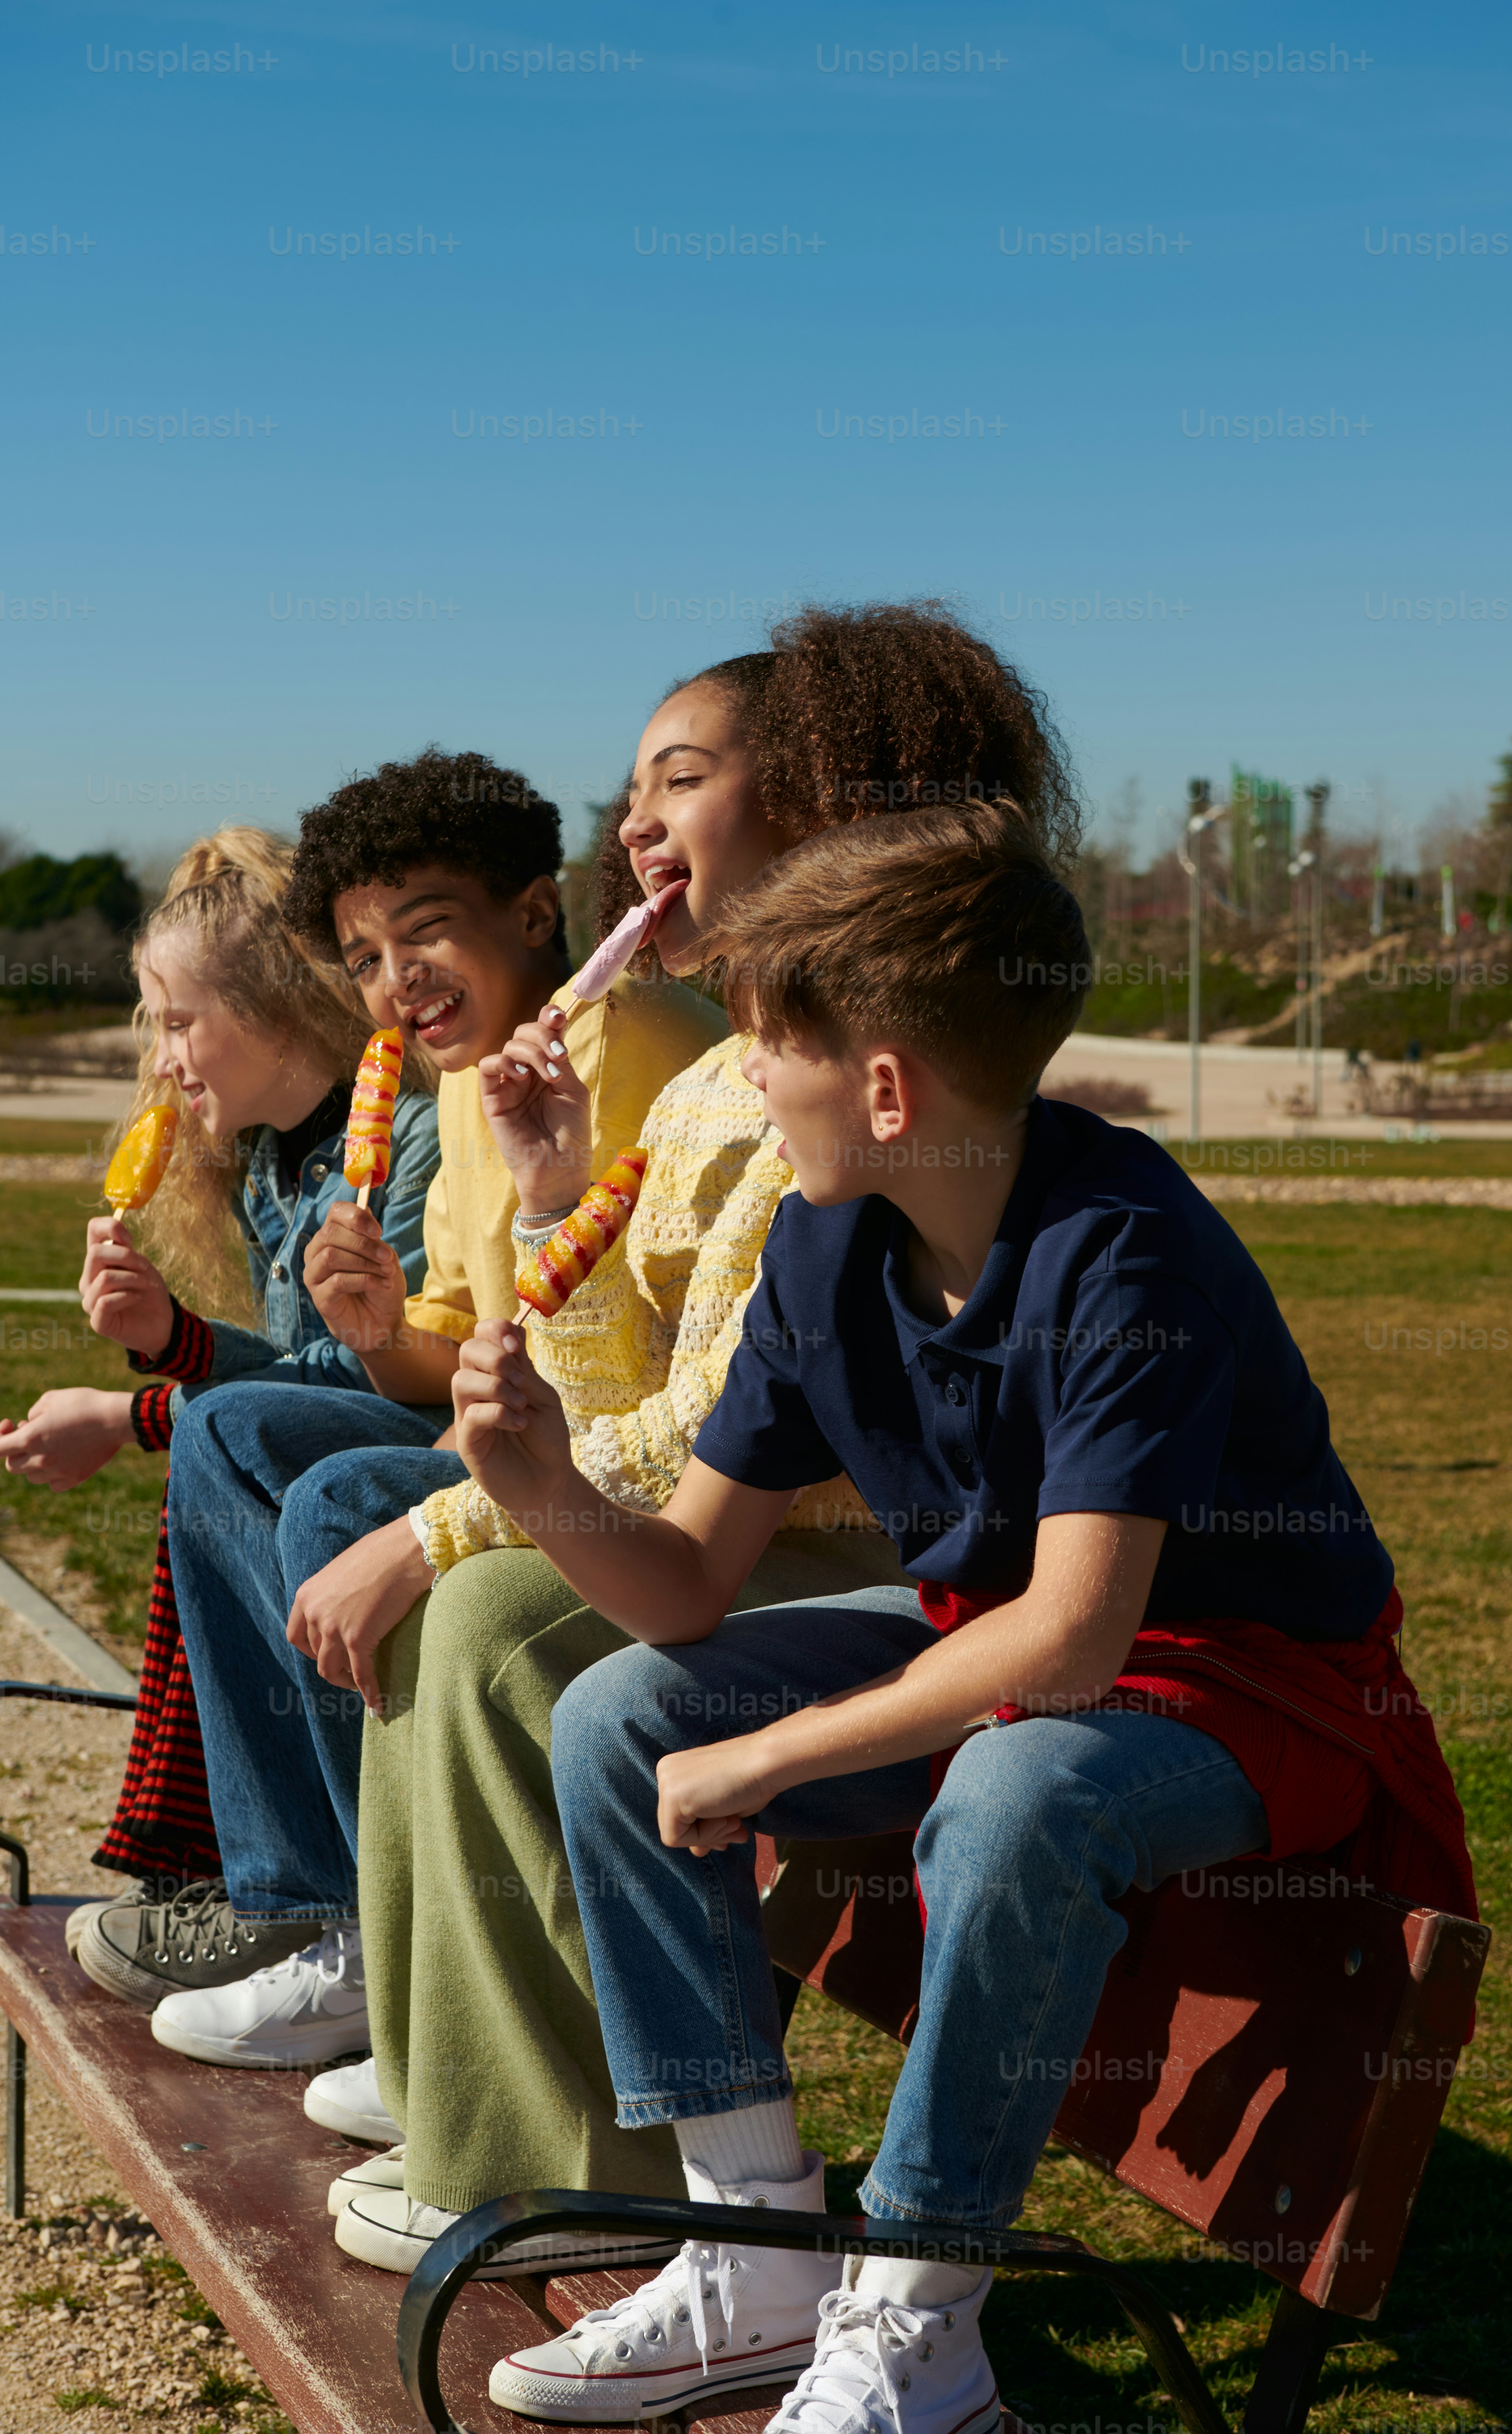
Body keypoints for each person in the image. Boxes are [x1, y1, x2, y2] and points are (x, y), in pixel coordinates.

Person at [455, 806, 1476, 2429]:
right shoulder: (822, 1245)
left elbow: (1075, 1643)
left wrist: (775, 1754)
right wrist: (536, 1485)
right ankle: (754, 2248)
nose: (748, 1083)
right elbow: (684, 1584)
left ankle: (923, 2323)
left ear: (882, 1086)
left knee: (1014, 1782)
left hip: (1252, 1699)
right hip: (996, 1649)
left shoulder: (1122, 1257)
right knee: (619, 1713)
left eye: (769, 1047)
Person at [308, 604, 1088, 2278]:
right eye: (632, 790)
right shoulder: (722, 1080)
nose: (636, 828)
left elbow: (725, 1446)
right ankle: (464, 2076)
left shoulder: (825, 1090)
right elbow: (627, 1416)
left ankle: (558, 2153)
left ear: (819, 808)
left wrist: (451, 1527)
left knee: (500, 1618)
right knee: (373, 1525)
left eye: (683, 780)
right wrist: (543, 1194)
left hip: (875, 1560)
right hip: (743, 1533)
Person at [92, 751, 723, 2095]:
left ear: (538, 917)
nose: (396, 980)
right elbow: (440, 1350)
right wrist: (382, 1327)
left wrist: (433, 1448)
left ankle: (400, 1950)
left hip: (623, 1475)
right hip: (503, 1431)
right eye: (365, 954)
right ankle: (309, 1899)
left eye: (425, 929)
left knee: (330, 1503)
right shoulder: (457, 1083)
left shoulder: (647, 1047)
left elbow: (641, 1358)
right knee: (227, 1432)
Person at [0, 826, 439, 1952]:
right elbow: (303, 1374)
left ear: (278, 1002)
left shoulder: (402, 1140)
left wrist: (167, 1375)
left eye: (181, 1022)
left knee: (228, 1441)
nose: (165, 1059)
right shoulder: (269, 1160)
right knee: (224, 1436)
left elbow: (361, 1379)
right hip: (340, 1453)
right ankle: (248, 1886)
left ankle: (298, 1906)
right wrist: (172, 1344)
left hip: (431, 1475)